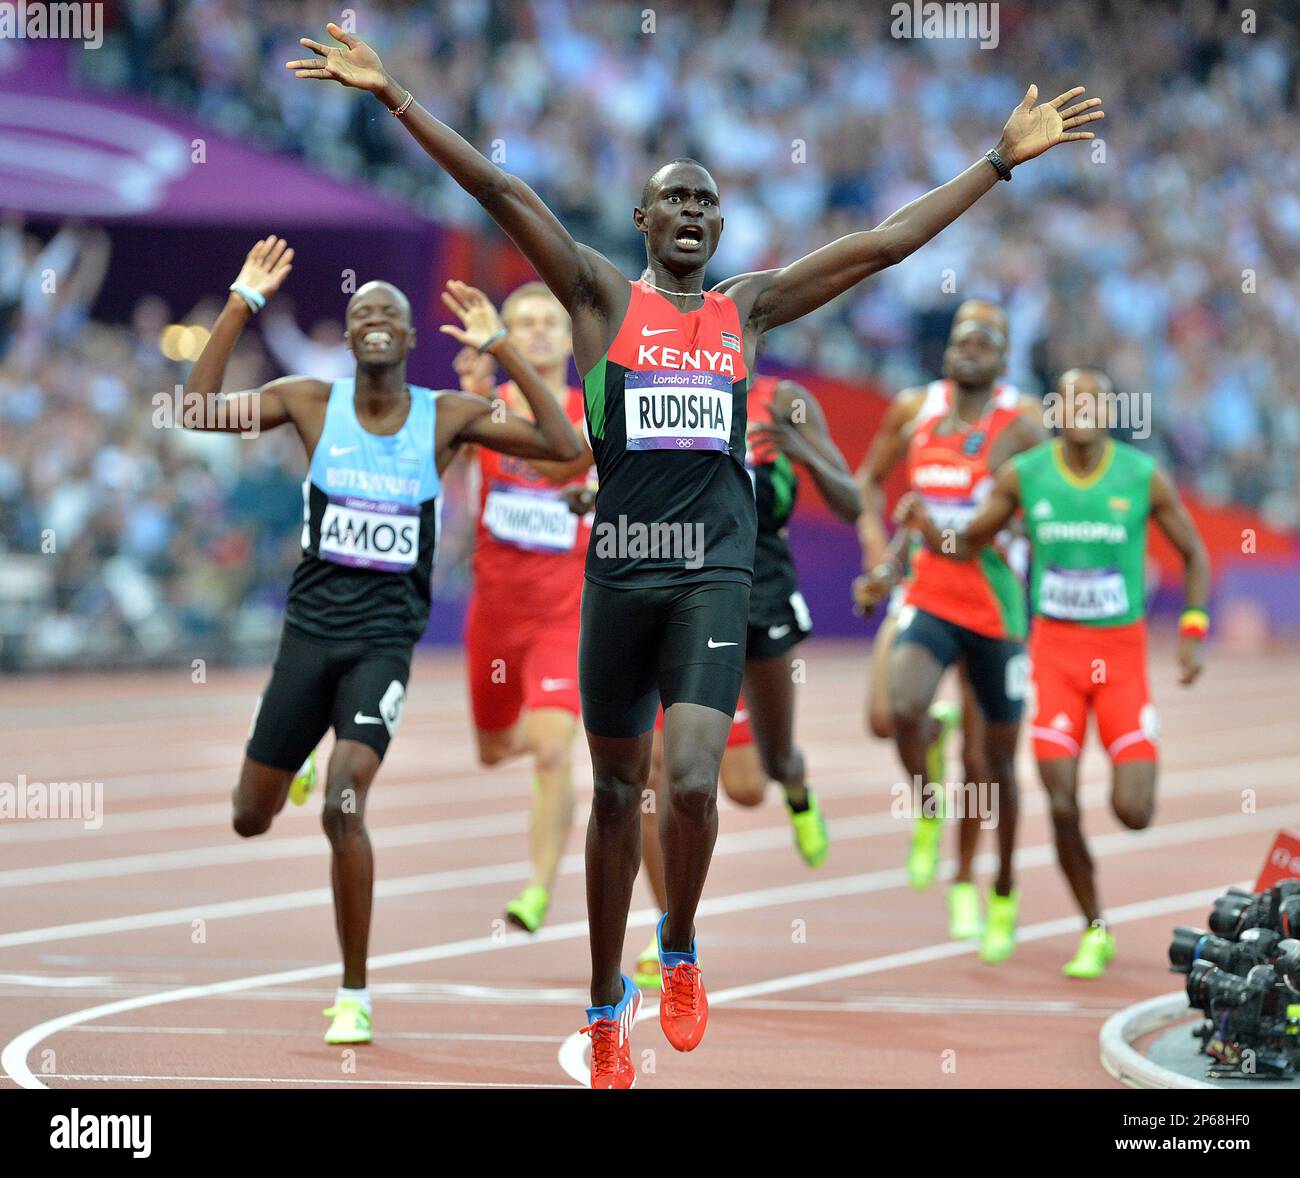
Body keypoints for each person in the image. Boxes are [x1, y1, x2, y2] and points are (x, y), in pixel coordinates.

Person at [286, 21, 1104, 1086]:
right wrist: (394, 95)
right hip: (619, 572)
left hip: (713, 573)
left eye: (709, 203)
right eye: (675, 198)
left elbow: (883, 244)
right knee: (615, 794)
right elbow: (496, 189)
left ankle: (676, 948)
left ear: (722, 227)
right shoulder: (595, 297)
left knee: (689, 780)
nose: (693, 213)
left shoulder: (746, 308)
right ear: (640, 219)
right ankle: (601, 1005)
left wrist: (994, 164)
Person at [181, 238, 581, 1044]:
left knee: (345, 801)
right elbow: (195, 409)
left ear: (406, 339)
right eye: (361, 312)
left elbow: (566, 446)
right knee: (249, 817)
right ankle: (285, 766)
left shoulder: (448, 415)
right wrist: (240, 301)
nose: (372, 323)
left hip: (383, 644)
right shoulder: (308, 401)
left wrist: (501, 344)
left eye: (388, 317)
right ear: (350, 336)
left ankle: (354, 992)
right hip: (308, 638)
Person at [897, 368, 1209, 977]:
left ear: (1112, 412)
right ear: (1057, 411)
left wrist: (1192, 631)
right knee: (1061, 802)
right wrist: (928, 530)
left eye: (1095, 399)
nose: (1083, 408)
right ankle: (1094, 926)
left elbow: (1194, 552)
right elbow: (971, 541)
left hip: (1120, 661)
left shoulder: (1142, 478)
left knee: (1134, 812)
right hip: (1055, 658)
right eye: (1072, 399)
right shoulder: (1025, 475)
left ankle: (1139, 748)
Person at [854, 303, 1045, 961]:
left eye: (987, 339)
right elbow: (869, 482)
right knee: (897, 710)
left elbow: (1048, 502)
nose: (971, 346)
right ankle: (927, 804)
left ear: (1005, 355)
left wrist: (1023, 534)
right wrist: (881, 558)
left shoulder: (1024, 425)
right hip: (929, 589)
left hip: (994, 599)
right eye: (963, 336)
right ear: (946, 350)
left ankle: (984, 885)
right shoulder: (913, 408)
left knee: (987, 760)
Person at [454, 281, 594, 933]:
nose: (538, 332)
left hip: (565, 613)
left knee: (550, 750)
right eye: (523, 322)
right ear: (500, 331)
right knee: (492, 749)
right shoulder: (482, 406)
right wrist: (468, 393)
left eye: (549, 322)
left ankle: (538, 888)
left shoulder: (594, 413)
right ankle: (548, 726)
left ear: (570, 339)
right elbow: (433, 464)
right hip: (494, 614)